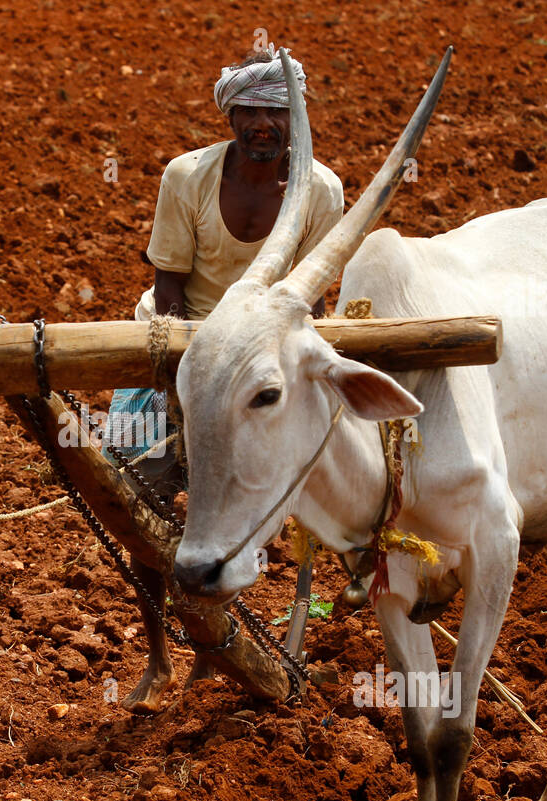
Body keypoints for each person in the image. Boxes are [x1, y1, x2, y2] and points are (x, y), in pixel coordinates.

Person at [105, 46, 344, 711]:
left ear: (295, 118)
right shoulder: (188, 177)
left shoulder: (321, 191)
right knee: (131, 485)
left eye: (277, 110)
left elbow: (311, 305)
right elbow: (170, 290)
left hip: (263, 358)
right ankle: (157, 655)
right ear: (229, 114)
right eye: (249, 110)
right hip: (185, 350)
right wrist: (187, 388)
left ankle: (244, 645)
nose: (263, 124)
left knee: (300, 484)